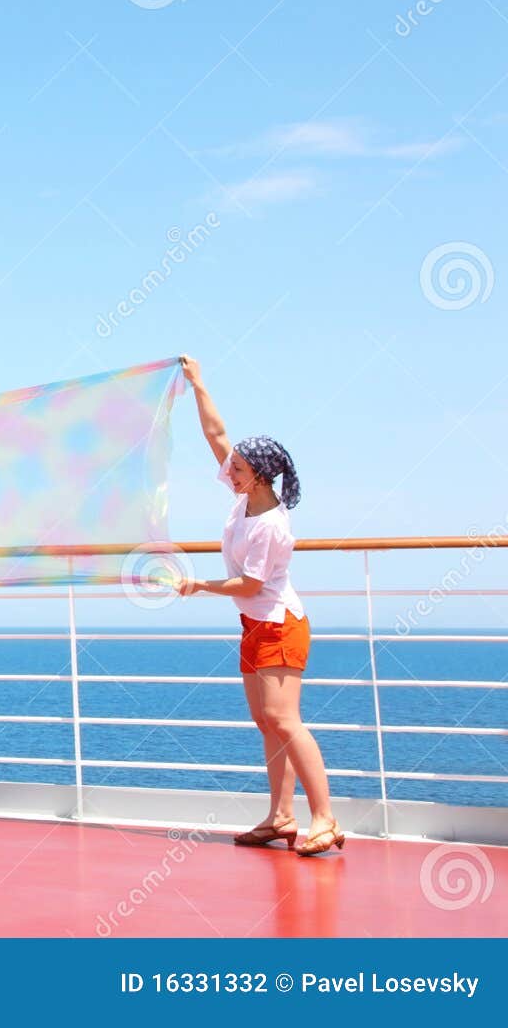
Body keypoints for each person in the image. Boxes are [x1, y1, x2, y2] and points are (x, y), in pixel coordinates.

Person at [176, 355, 343, 856]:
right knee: (265, 720)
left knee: (286, 720)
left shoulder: (272, 523)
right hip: (255, 626)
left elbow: (250, 585)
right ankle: (281, 817)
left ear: (261, 477)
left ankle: (326, 819)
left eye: (240, 469)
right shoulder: (245, 497)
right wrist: (198, 384)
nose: (231, 472)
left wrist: (199, 586)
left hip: (278, 625)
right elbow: (216, 435)